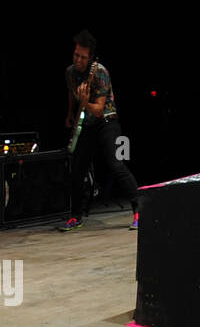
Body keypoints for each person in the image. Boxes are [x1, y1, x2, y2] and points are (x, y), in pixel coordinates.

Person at [60, 29, 140, 231]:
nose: (78, 59)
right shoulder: (70, 72)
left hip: (106, 120)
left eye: (83, 57)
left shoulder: (100, 73)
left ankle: (139, 209)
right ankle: (75, 216)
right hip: (87, 123)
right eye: (76, 55)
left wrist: (85, 103)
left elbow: (97, 109)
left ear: (90, 57)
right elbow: (72, 92)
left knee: (115, 164)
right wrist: (71, 113)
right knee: (77, 168)